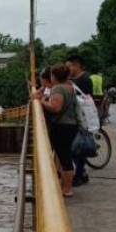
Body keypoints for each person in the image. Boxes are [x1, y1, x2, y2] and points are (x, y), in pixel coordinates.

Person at [32, 64, 79, 197]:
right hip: (71, 125)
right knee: (64, 156)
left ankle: (67, 189)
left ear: (54, 76)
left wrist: (41, 101)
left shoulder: (58, 88)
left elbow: (55, 107)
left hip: (62, 127)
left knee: (64, 158)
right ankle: (65, 186)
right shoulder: (69, 86)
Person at [65, 55, 93, 186]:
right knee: (75, 148)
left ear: (77, 65)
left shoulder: (85, 79)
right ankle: (81, 173)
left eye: (69, 66)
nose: (68, 69)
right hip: (74, 117)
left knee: (78, 148)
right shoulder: (72, 79)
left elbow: (86, 99)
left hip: (81, 118)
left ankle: (80, 175)